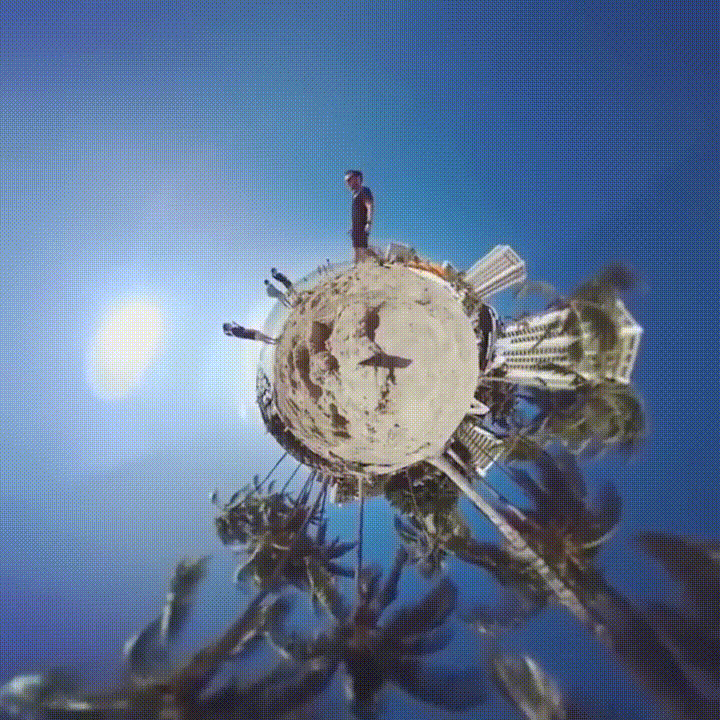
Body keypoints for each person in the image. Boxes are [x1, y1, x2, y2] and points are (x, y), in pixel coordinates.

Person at [345, 170, 376, 262]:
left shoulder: (364, 190)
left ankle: (376, 258)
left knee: (362, 250)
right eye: (346, 181)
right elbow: (355, 213)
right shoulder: (354, 195)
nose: (348, 183)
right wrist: (352, 227)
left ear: (357, 178)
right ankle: (356, 267)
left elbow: (369, 206)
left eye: (349, 179)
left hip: (363, 225)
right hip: (355, 228)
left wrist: (369, 223)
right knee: (355, 249)